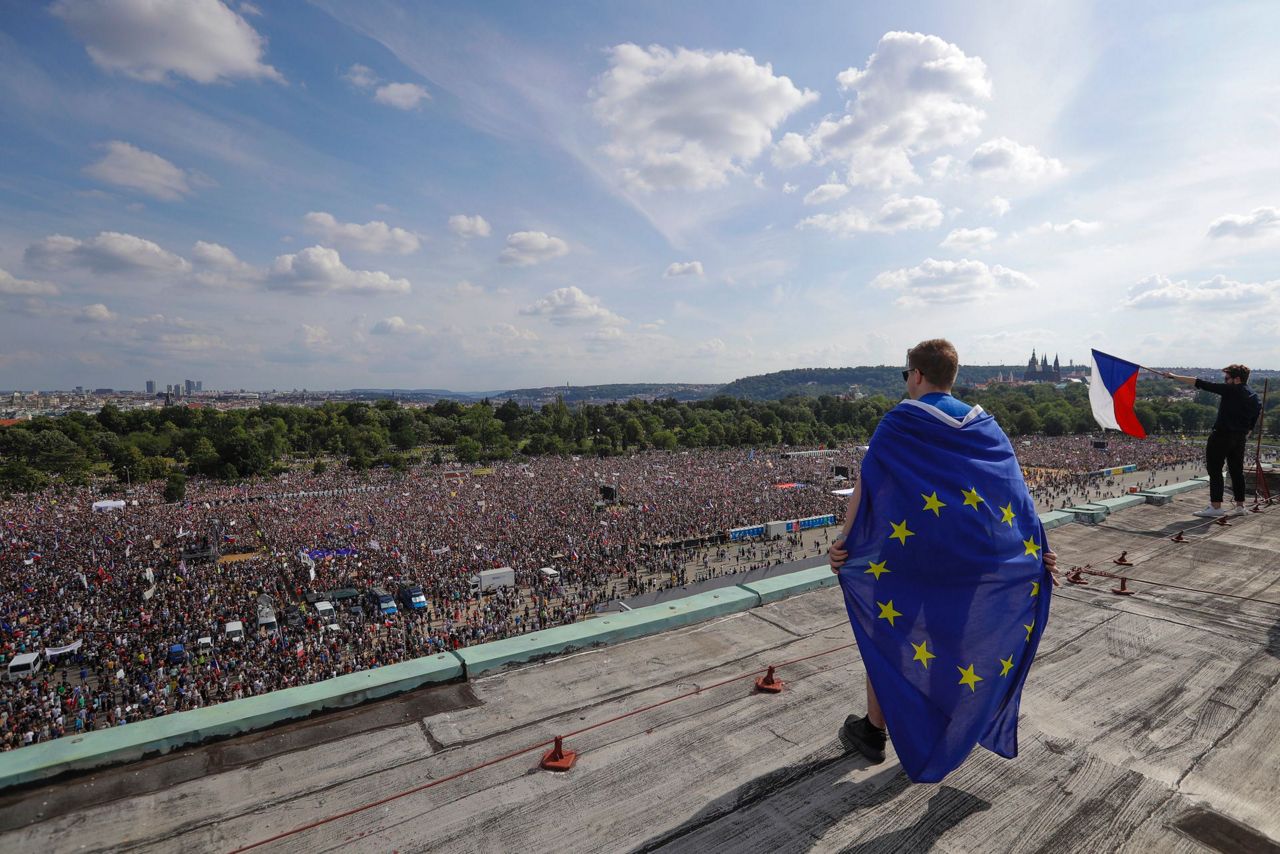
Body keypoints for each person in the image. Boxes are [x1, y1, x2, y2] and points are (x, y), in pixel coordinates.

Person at [827, 339, 1057, 782]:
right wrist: (1038, 548)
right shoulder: (987, 425)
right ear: (952, 377)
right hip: (970, 563)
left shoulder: (900, 421)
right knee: (954, 639)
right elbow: (1014, 494)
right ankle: (947, 723)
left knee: (888, 637)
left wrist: (843, 540)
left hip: (910, 560)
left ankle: (875, 730)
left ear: (915, 375)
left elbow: (867, 483)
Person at [1163, 365, 1262, 518]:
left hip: (1221, 436)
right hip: (1239, 438)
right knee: (1237, 472)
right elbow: (1252, 424)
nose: (1225, 381)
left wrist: (1173, 376)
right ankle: (1240, 506)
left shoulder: (1231, 390)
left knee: (1215, 470)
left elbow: (1200, 383)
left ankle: (1216, 507)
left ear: (1236, 379)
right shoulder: (1254, 396)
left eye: (1226, 378)